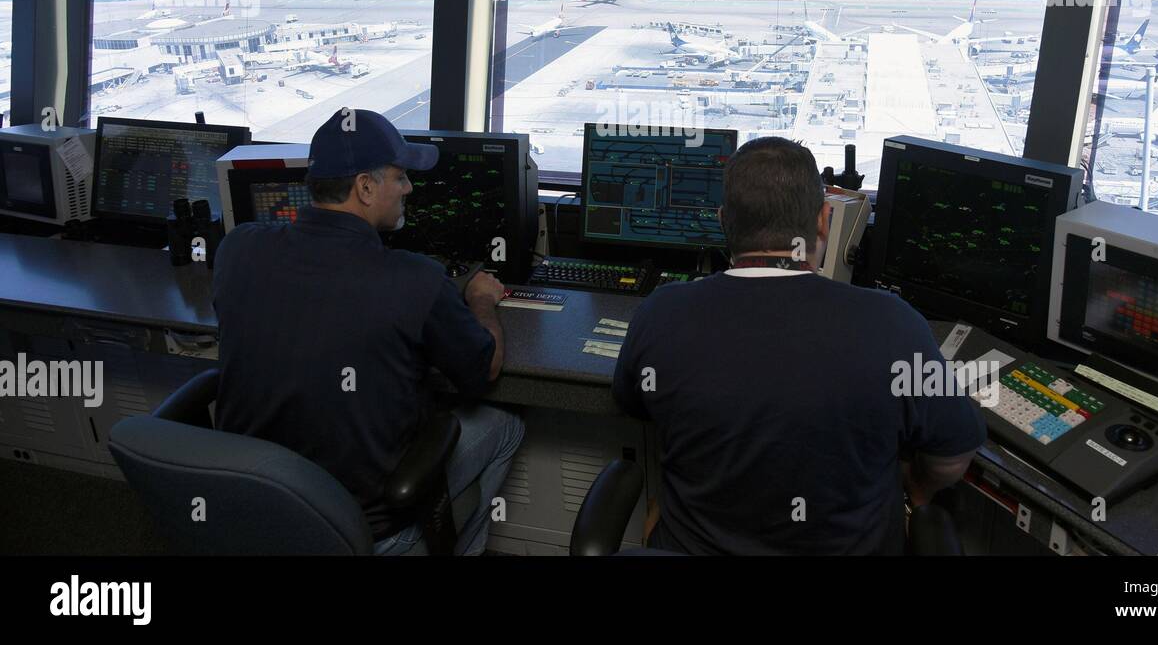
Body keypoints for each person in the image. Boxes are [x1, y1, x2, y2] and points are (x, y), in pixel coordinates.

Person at [612, 136, 986, 554]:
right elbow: (953, 453)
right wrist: (916, 490)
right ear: (823, 220)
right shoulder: (895, 325)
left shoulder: (661, 313)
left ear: (723, 221)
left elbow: (634, 405)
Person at [213, 108, 523, 555]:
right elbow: (483, 369)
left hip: (259, 511)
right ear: (365, 187)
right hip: (366, 528)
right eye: (400, 178)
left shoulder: (237, 248)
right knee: (505, 423)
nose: (409, 189)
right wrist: (480, 298)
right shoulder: (414, 279)